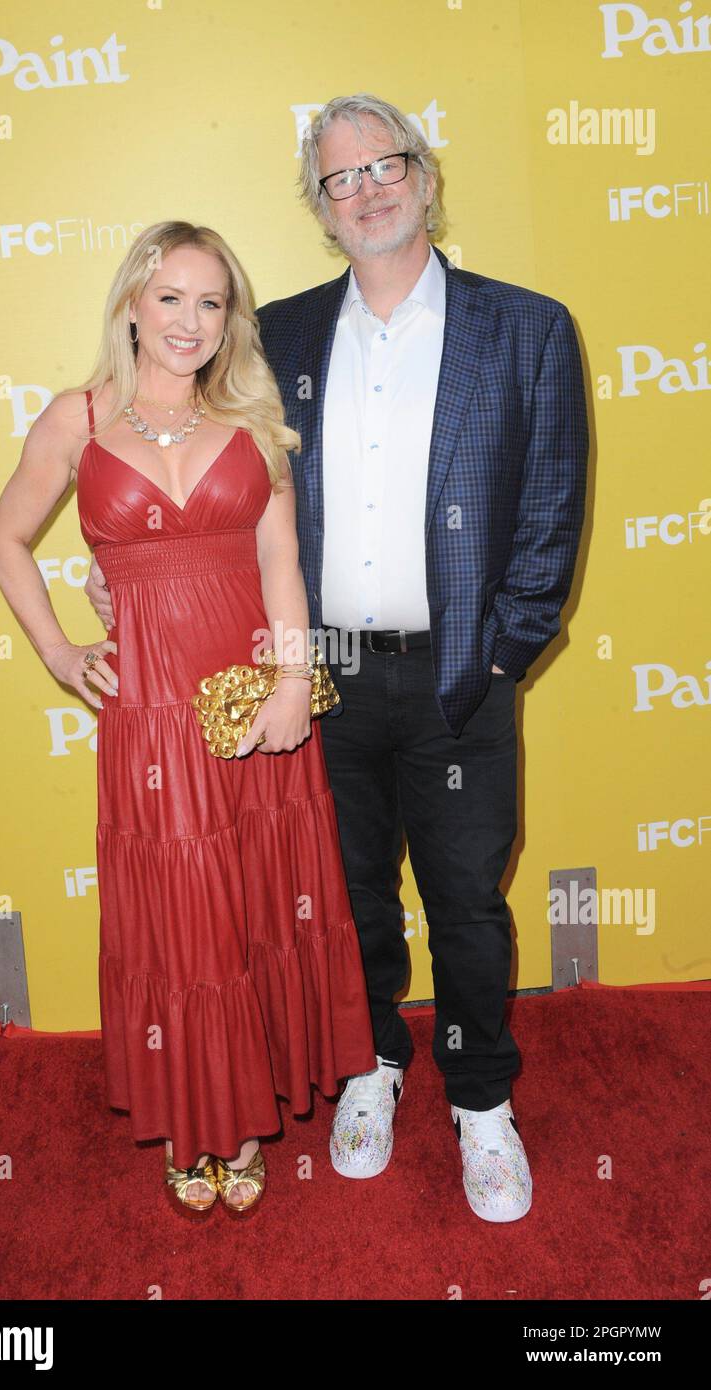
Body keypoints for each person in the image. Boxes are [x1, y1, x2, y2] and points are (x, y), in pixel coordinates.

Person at [86, 95, 589, 1223]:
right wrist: (118, 571)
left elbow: (550, 512)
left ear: (424, 174)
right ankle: (371, 1065)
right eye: (337, 179)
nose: (363, 189)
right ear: (316, 208)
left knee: (463, 899)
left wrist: (498, 659)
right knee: (346, 896)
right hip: (317, 679)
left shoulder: (526, 327)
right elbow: (207, 489)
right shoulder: (285, 336)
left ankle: (477, 1100)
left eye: (382, 165)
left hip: (459, 674)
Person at [0, 220, 377, 1219]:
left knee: (255, 901)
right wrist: (61, 651)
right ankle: (196, 1122)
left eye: (211, 303)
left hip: (250, 693)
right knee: (183, 918)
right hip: (151, 713)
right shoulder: (76, 418)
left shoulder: (251, 416)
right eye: (171, 297)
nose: (189, 321)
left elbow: (282, 560)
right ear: (131, 302)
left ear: (229, 319)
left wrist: (294, 685)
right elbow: (6, 536)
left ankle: (242, 1120)